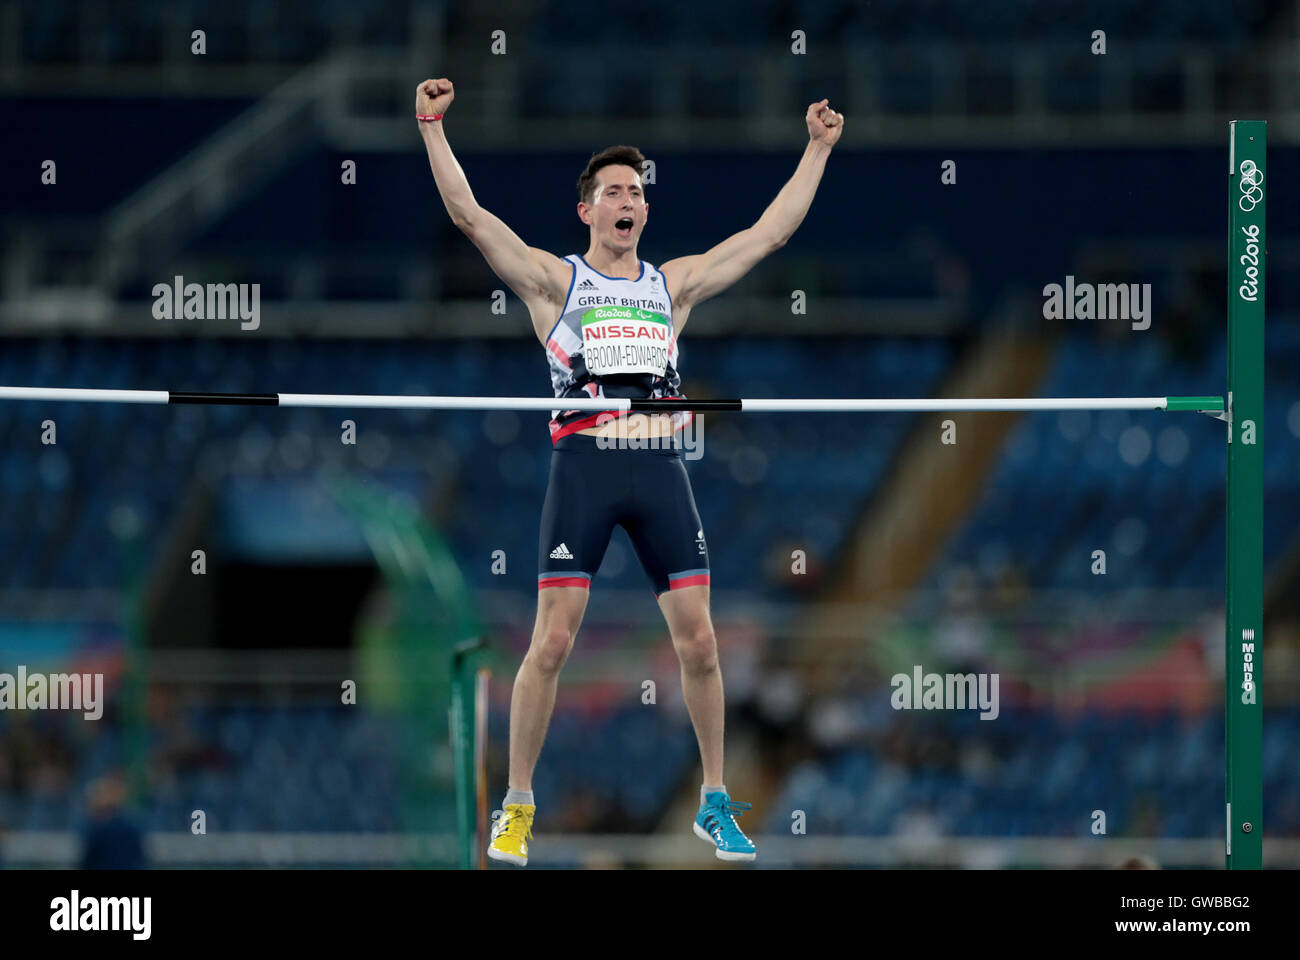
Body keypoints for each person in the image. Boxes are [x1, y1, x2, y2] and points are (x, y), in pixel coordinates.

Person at [416, 77, 843, 865]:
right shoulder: (555, 282)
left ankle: (713, 801)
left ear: (645, 211)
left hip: (658, 466)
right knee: (551, 644)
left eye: (636, 191)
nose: (627, 199)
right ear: (588, 210)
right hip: (584, 464)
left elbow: (767, 236)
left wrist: (816, 148)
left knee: (703, 646)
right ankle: (516, 805)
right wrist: (433, 128)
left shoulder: (670, 286)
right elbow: (471, 218)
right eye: (612, 189)